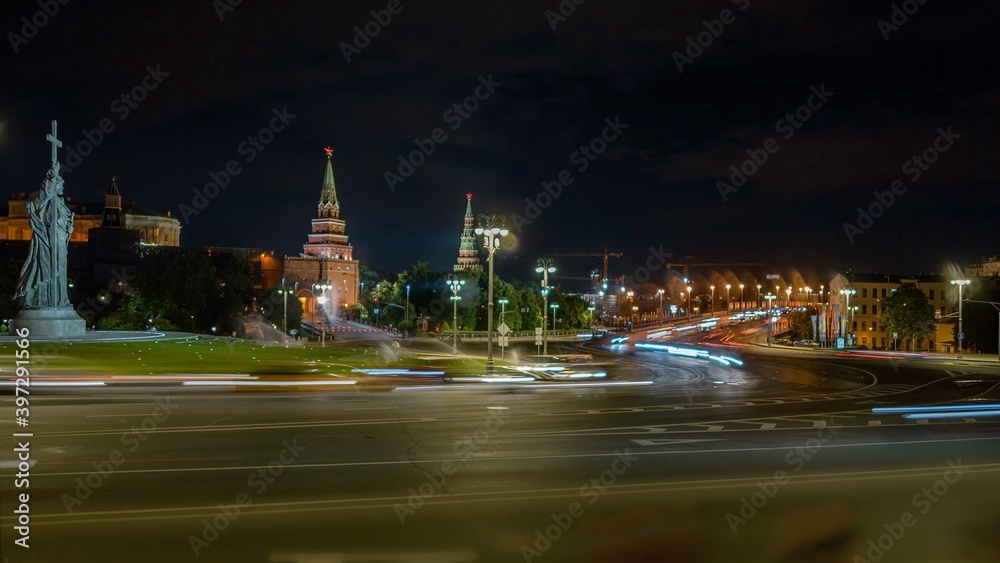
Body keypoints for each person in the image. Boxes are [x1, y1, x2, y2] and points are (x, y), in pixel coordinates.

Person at [13, 164, 74, 307]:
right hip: (46, 240)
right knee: (46, 268)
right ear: (53, 184)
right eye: (61, 184)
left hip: (60, 241)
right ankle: (43, 300)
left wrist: (68, 229)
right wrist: (53, 176)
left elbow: (62, 221)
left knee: (61, 271)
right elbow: (44, 196)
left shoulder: (61, 202)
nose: (63, 187)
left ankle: (60, 300)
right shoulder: (38, 196)